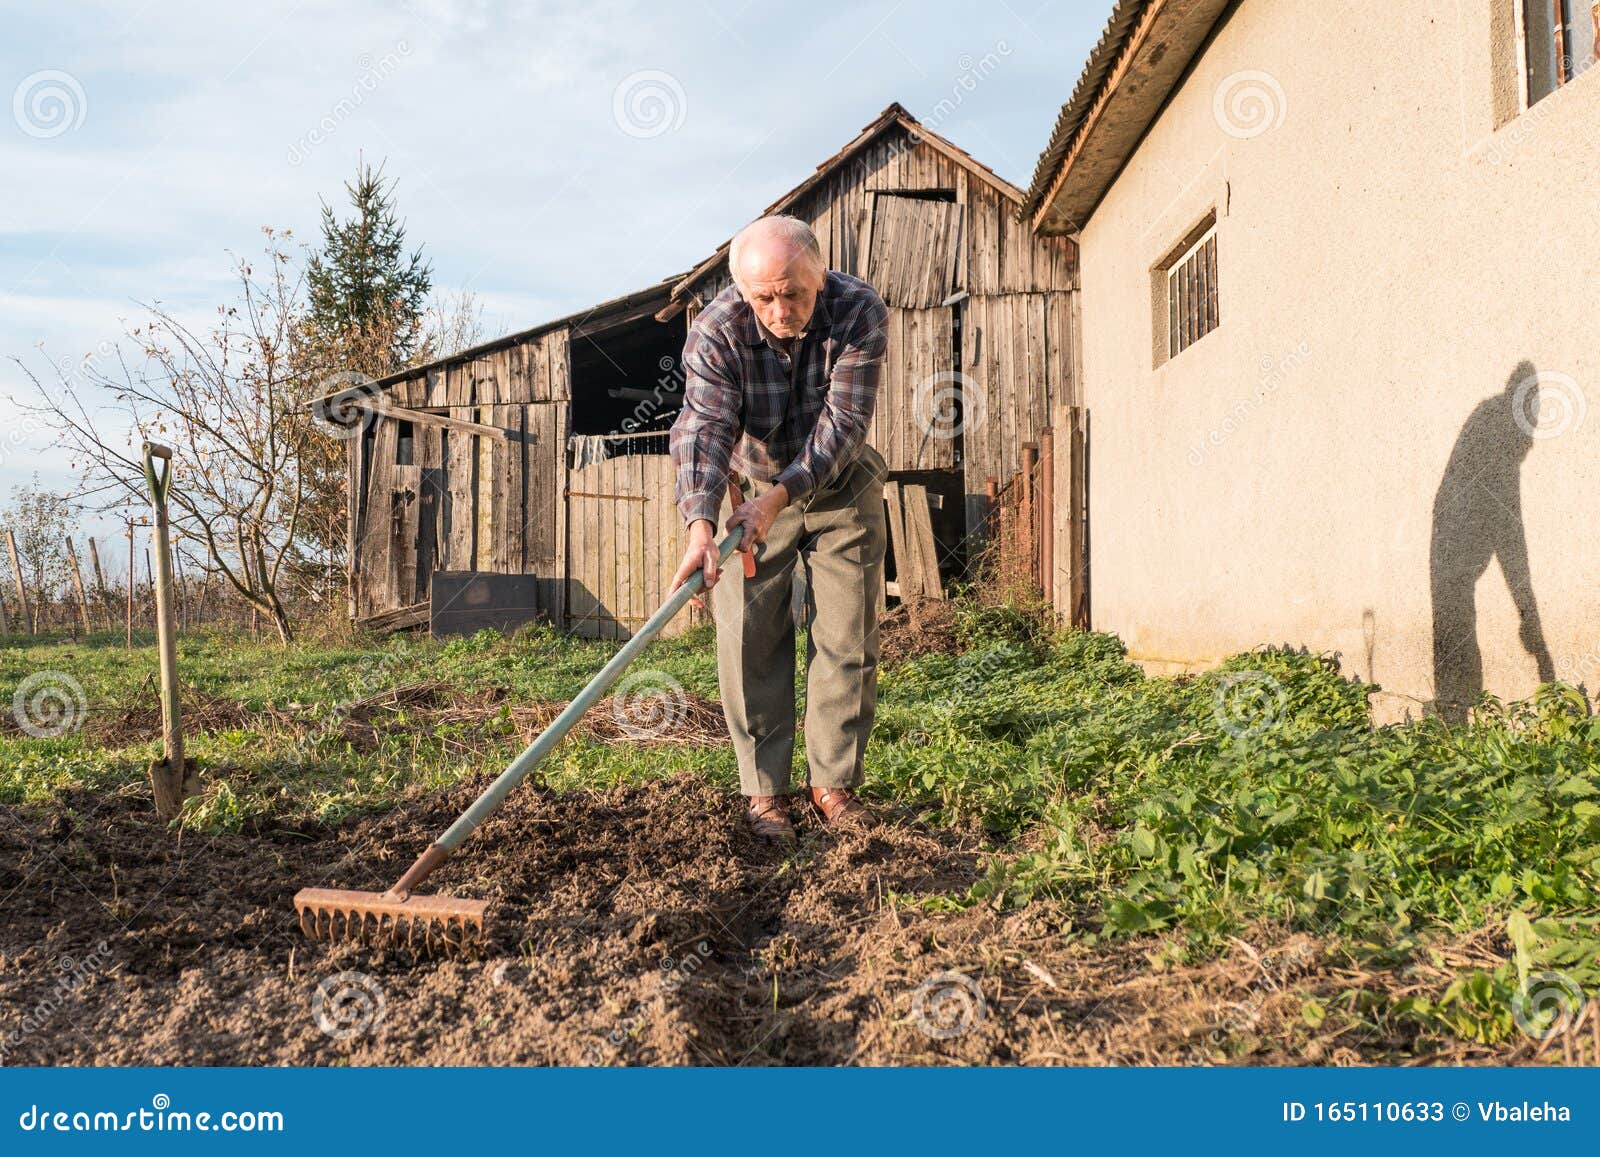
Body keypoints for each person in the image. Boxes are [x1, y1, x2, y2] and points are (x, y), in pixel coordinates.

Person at [668, 214, 889, 843]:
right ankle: (765, 793)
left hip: (839, 484)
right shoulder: (718, 329)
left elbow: (843, 424)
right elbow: (703, 427)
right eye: (763, 296)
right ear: (743, 290)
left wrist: (785, 497)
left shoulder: (858, 312)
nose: (779, 308)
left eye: (793, 292)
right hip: (750, 495)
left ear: (820, 274)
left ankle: (833, 784)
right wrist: (702, 523)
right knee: (750, 640)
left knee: (847, 634)